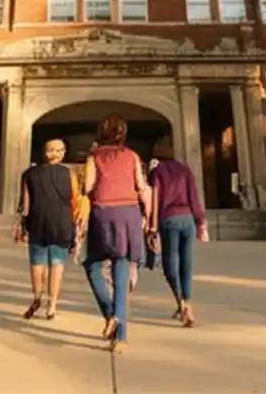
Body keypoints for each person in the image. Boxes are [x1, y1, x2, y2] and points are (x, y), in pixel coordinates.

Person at [83, 114, 151, 353]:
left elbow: (87, 187)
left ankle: (111, 314)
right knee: (122, 266)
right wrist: (149, 216)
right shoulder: (132, 156)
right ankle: (120, 335)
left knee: (92, 265)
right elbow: (141, 186)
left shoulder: (95, 157)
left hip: (103, 212)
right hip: (129, 212)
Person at [16, 139, 87, 320]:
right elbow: (75, 201)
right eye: (56, 150)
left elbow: (26, 205)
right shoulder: (69, 174)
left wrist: (22, 225)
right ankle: (52, 305)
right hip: (62, 224)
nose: (57, 153)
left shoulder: (29, 174)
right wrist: (78, 225)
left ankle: (37, 297)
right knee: (57, 264)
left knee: (37, 263)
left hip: (38, 222)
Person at [148, 134, 208, 327]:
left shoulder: (157, 172)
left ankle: (181, 302)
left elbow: (155, 198)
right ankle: (187, 303)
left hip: (168, 219)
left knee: (170, 264)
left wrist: (153, 227)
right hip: (187, 218)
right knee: (186, 263)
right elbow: (194, 196)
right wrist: (201, 222)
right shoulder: (185, 171)